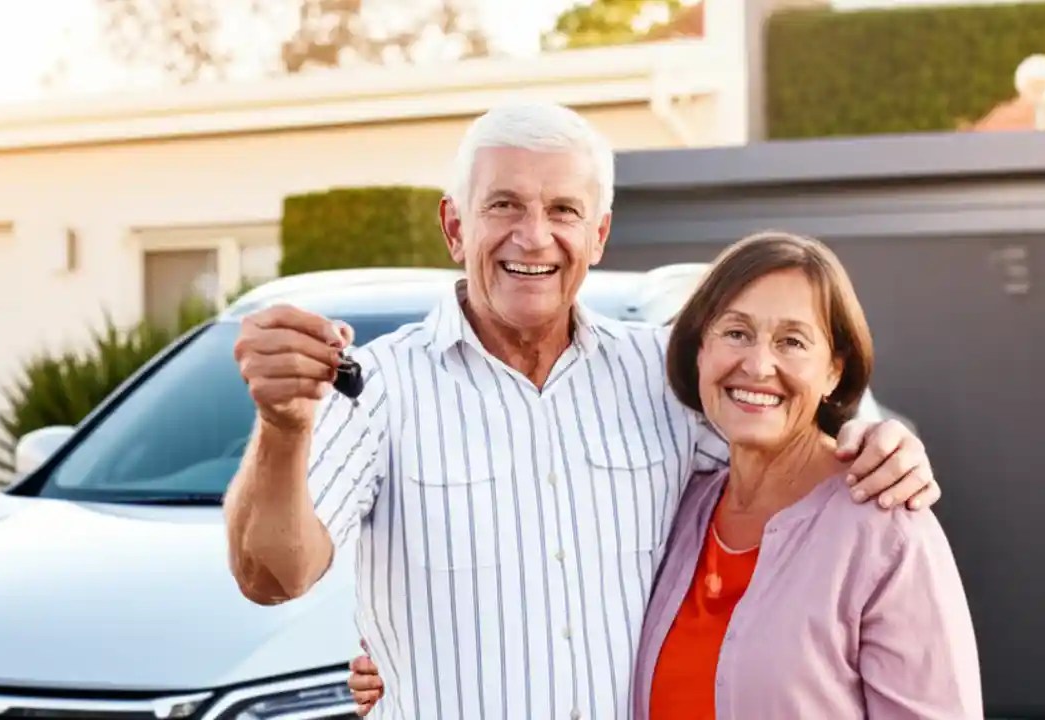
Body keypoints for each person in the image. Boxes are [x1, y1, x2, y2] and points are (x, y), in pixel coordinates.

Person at [225, 102, 940, 720]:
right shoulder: (379, 387)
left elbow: (784, 441)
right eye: (503, 205)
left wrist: (877, 438)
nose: (533, 237)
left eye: (563, 210)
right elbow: (272, 577)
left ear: (597, 235)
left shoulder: (664, 374)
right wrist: (283, 428)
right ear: (454, 226)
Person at [637, 231, 982, 718]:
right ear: (699, 352)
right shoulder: (678, 508)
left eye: (792, 342)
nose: (758, 365)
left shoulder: (885, 525)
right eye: (736, 333)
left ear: (834, 372)